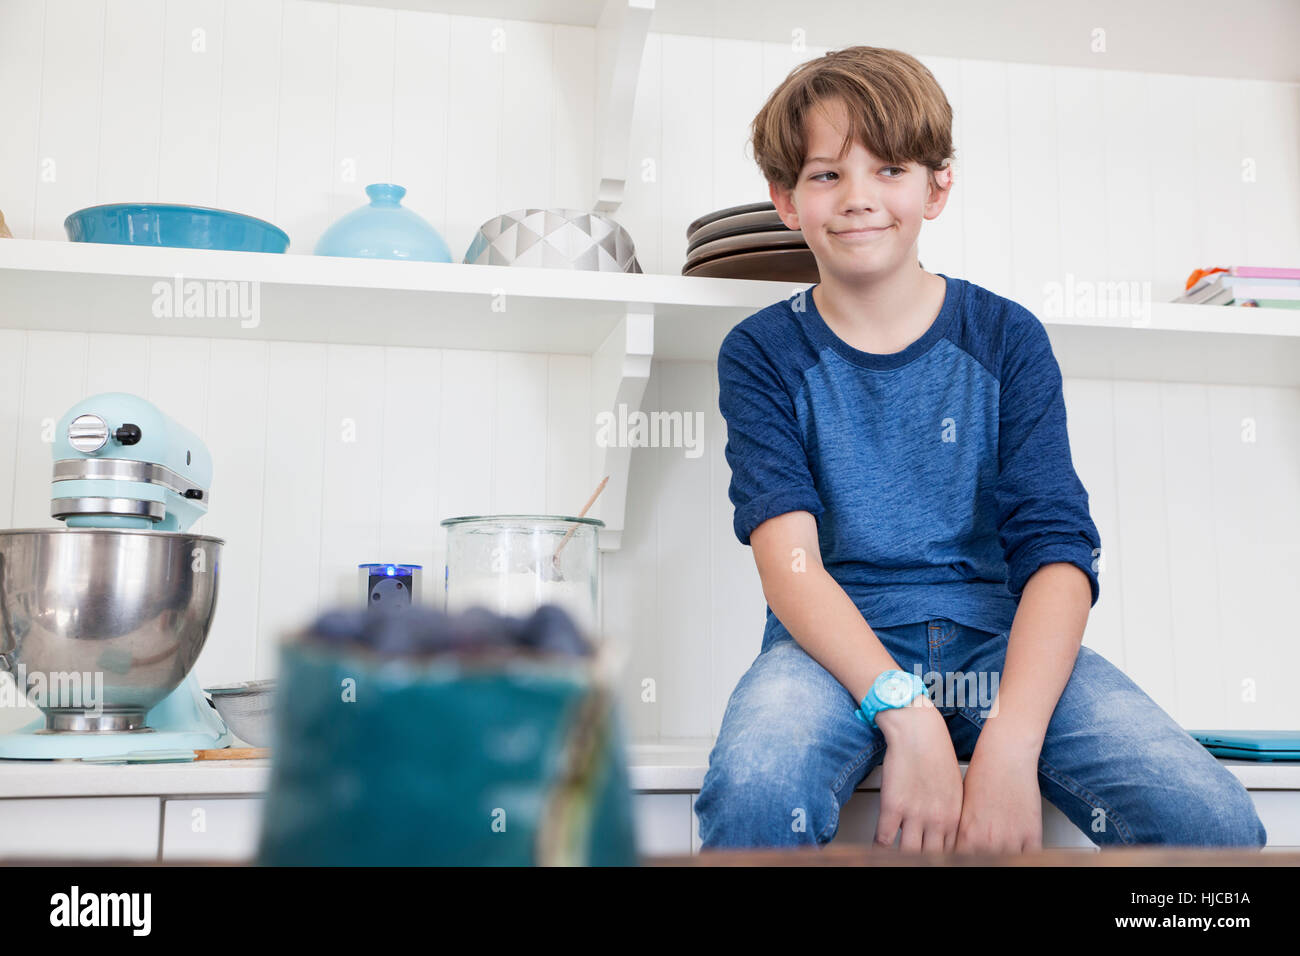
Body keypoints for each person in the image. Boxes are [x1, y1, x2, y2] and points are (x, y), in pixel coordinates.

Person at [694, 46, 1266, 853]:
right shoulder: (759, 352)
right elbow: (790, 566)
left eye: (889, 169)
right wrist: (911, 718)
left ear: (938, 186)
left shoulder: (1006, 338)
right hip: (832, 654)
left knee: (1214, 824)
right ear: (786, 201)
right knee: (755, 790)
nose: (859, 199)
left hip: (1002, 643)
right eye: (826, 176)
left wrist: (1009, 740)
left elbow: (1059, 554)